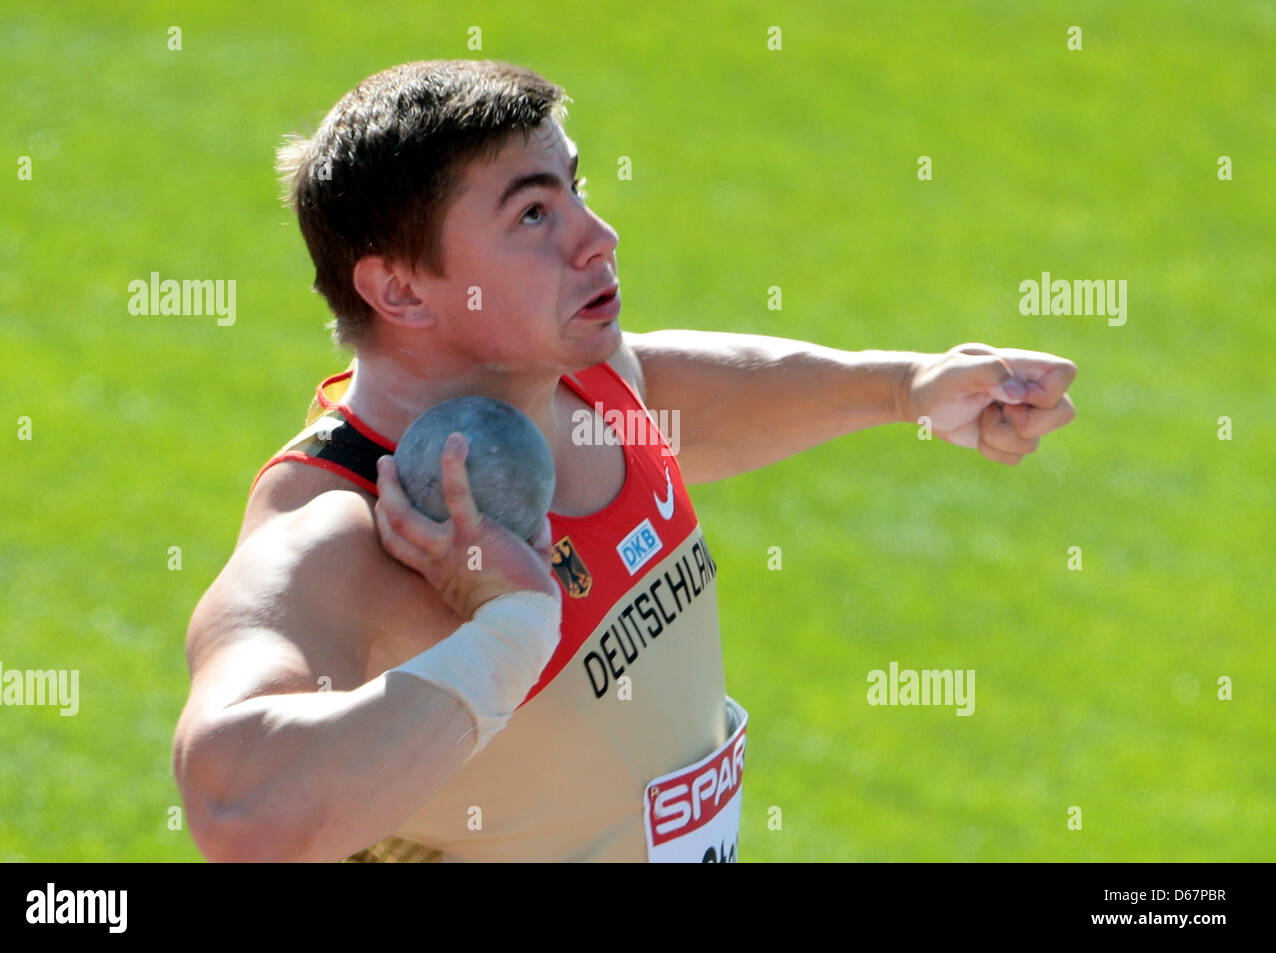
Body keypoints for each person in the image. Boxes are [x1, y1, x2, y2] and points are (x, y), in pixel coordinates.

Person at [171, 59, 1077, 863]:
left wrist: (902, 387)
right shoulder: (345, 530)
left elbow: (677, 398)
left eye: (576, 188)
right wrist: (511, 635)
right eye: (533, 212)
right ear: (400, 287)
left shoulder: (584, 384)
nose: (596, 235)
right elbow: (236, 807)